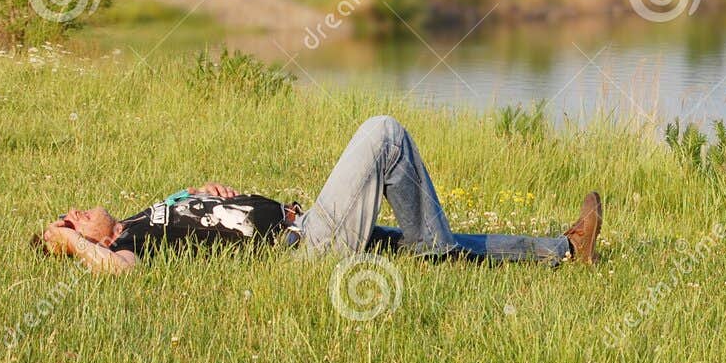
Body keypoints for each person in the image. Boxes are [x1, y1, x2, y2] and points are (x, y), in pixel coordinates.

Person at [36, 115, 602, 275]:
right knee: (383, 135)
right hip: (304, 248)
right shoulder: (127, 246)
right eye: (72, 222)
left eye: (70, 213)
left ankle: (565, 250)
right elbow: (123, 273)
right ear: (90, 242)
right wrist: (67, 244)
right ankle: (434, 248)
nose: (77, 212)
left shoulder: (141, 216)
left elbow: (203, 214)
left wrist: (206, 196)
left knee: (427, 244)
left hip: (300, 224)